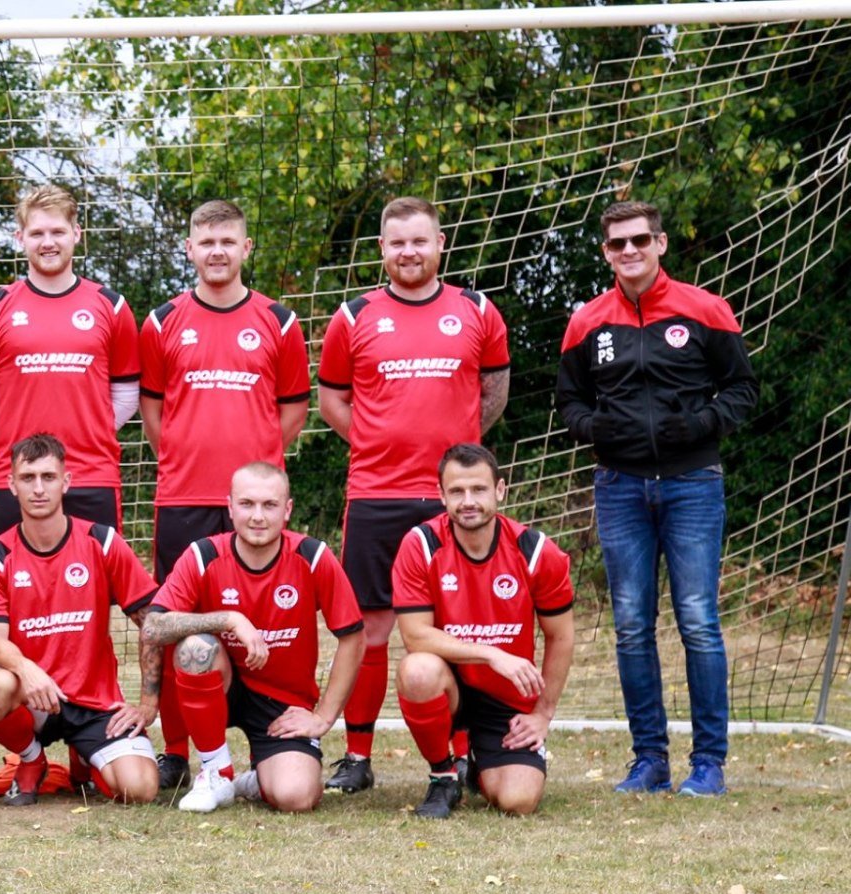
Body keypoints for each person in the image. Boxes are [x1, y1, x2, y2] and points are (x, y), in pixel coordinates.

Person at [557, 200, 758, 798]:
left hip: (693, 484)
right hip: (619, 489)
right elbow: (569, 405)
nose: (629, 251)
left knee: (698, 621)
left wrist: (699, 425)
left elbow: (744, 390)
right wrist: (596, 430)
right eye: (617, 244)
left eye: (639, 240)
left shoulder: (704, 309)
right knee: (630, 627)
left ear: (661, 243)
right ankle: (649, 761)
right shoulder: (586, 322)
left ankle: (709, 764)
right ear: (605, 253)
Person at [316, 196, 511, 794]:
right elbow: (332, 401)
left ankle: (461, 752)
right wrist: (379, 441)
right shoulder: (353, 316)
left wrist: (459, 460)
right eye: (397, 242)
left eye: (419, 241)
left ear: (440, 243)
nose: (409, 252)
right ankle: (357, 756)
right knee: (371, 628)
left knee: (455, 625)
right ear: (382, 249)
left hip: (451, 501)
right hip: (376, 494)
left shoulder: (477, 310)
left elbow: (493, 391)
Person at [139, 199, 310, 789]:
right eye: (205, 241)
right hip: (183, 495)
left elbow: (292, 410)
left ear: (245, 249)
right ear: (189, 249)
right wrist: (191, 452)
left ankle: (270, 731)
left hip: (252, 505)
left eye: (227, 241)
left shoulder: (279, 322)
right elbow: (154, 410)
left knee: (265, 619)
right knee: (177, 624)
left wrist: (252, 472)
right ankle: (179, 752)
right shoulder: (161, 321)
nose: (217, 251)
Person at [140, 463, 364, 813]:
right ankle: (217, 772)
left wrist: (324, 717)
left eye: (269, 505)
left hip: (282, 702)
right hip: (220, 686)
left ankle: (253, 780)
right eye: (246, 504)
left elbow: (354, 637)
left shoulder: (313, 556)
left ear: (287, 509)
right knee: (196, 647)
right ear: (229, 507)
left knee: (297, 797)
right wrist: (229, 620)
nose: (257, 516)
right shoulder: (204, 555)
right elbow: (152, 627)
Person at [0, 433, 163, 806]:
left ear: (66, 481)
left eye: (48, 476)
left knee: (140, 790)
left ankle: (83, 761)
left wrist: (147, 703)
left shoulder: (102, 542)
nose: (39, 488)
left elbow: (153, 624)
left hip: (96, 705)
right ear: (12, 485)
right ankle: (31, 760)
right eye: (28, 478)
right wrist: (27, 670)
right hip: (35, 701)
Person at [392, 444, 575, 817]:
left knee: (517, 801)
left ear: (500, 490)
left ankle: (477, 762)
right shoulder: (421, 545)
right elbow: (416, 636)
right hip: (450, 685)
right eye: (457, 491)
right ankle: (443, 775)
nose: (468, 501)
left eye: (478, 489)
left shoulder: (535, 551)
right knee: (417, 670)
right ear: (441, 495)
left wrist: (543, 713)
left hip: (505, 698)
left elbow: (561, 636)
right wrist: (494, 654)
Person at [0, 185, 139, 536]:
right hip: (19, 480)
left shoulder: (111, 306)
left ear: (76, 234)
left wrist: (92, 431)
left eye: (57, 231)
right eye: (37, 233)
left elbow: (127, 396)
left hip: (92, 475)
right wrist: (11, 436)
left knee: (97, 589)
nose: (48, 242)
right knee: (18, 588)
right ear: (20, 237)